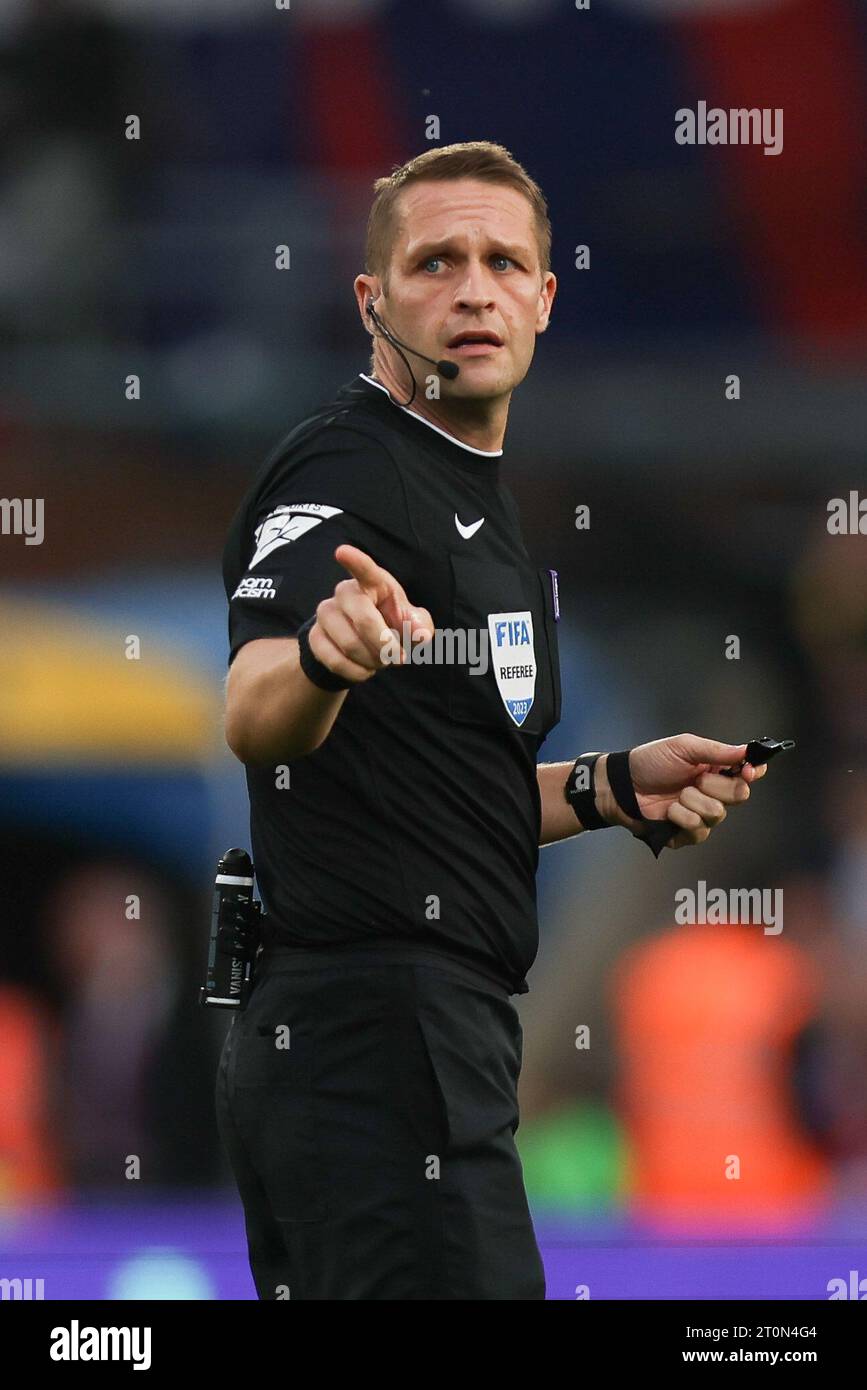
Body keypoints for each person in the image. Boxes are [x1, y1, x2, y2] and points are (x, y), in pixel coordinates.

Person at [216, 141, 767, 1300]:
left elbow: (446, 792)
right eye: (436, 262)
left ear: (545, 298)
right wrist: (320, 656)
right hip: (371, 1042)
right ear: (371, 300)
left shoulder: (485, 511)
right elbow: (254, 709)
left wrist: (613, 787)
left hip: (424, 1045)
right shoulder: (349, 463)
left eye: (504, 262)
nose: (475, 290)